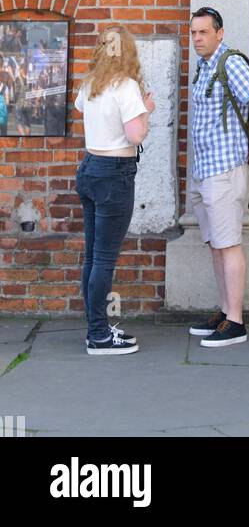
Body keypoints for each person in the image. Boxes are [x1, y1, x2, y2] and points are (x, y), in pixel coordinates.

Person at [187, 7, 249, 348]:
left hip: (225, 170)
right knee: (216, 246)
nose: (197, 38)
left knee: (229, 244)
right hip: (205, 170)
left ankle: (236, 322)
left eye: (204, 32)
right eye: (194, 32)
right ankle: (225, 312)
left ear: (219, 33)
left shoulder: (231, 64)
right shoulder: (204, 66)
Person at [74, 25, 154, 355]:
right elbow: (135, 136)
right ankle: (100, 337)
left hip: (90, 168)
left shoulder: (91, 83)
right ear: (129, 52)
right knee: (104, 260)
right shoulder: (127, 86)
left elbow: (81, 108)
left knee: (93, 257)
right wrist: (146, 110)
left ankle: (97, 330)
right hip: (115, 173)